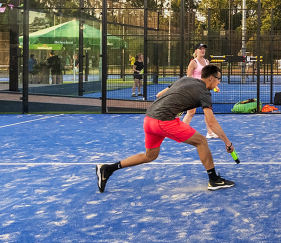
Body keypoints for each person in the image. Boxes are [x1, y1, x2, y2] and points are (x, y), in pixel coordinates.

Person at [96, 64, 235, 192]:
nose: (219, 82)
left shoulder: (186, 79)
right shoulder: (204, 93)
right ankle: (214, 180)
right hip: (163, 121)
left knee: (150, 156)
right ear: (211, 78)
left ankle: (108, 169)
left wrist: (179, 103)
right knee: (201, 141)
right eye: (218, 79)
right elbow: (211, 123)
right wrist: (227, 142)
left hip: (149, 118)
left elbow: (159, 95)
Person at [183, 44, 217, 139]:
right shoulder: (193, 63)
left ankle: (210, 133)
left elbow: (210, 76)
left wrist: (215, 86)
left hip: (205, 91)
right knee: (191, 112)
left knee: (208, 112)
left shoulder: (207, 62)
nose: (203, 50)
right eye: (200, 49)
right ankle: (180, 131)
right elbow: (189, 78)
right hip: (194, 90)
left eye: (204, 49)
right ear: (196, 51)